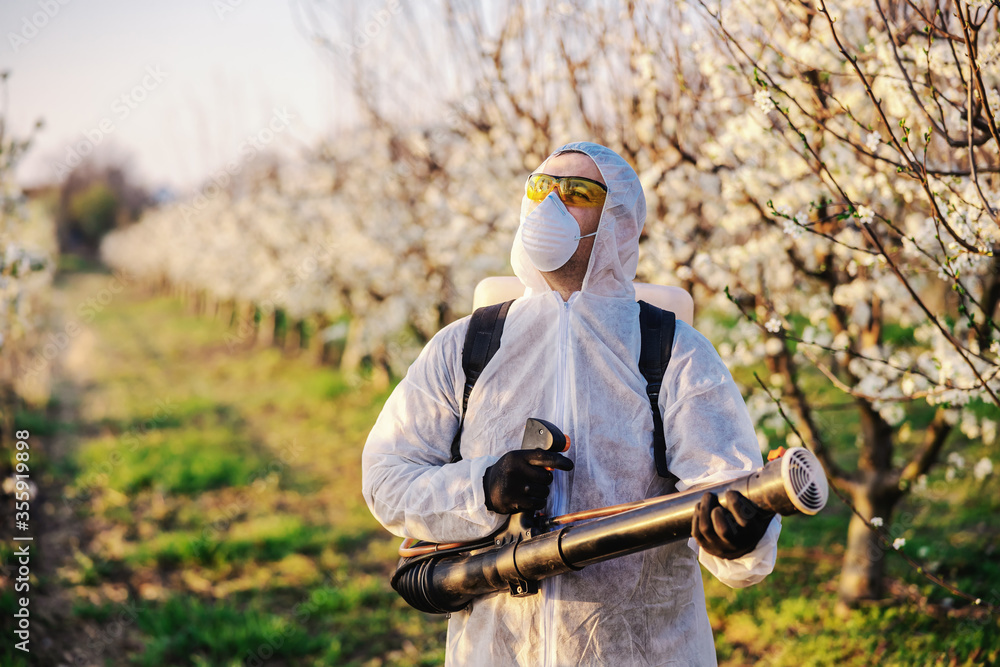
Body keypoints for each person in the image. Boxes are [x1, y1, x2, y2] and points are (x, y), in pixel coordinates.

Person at [362, 142, 781, 665]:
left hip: (641, 652)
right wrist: (483, 487)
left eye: (577, 192)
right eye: (541, 188)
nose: (550, 205)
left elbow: (729, 505)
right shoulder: (465, 345)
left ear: (621, 225)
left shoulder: (673, 351)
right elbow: (386, 479)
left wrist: (739, 537)